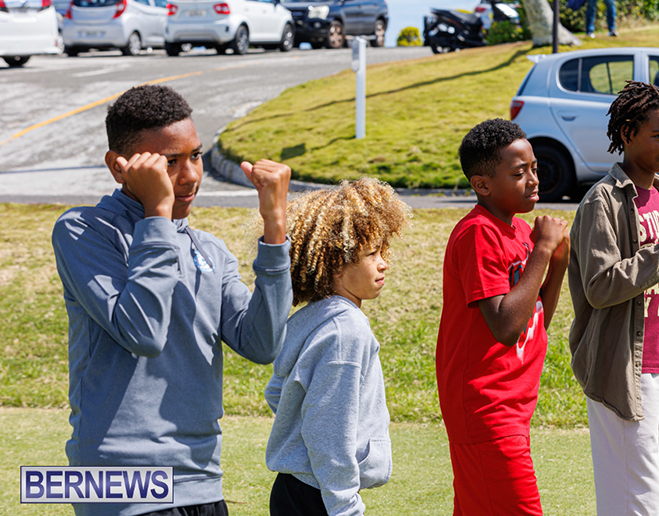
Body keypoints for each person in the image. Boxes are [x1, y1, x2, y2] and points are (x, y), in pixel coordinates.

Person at [51, 84, 293, 516]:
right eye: (170, 162)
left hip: (200, 476)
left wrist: (275, 229)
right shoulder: (82, 231)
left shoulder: (209, 249)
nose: (191, 175)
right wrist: (157, 215)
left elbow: (262, 344)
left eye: (195, 156)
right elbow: (142, 332)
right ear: (118, 167)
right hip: (116, 478)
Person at [568, 81, 659, 516]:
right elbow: (601, 287)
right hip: (622, 370)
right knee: (639, 502)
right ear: (628, 133)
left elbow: (645, 280)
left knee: (647, 496)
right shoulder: (604, 201)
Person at [436, 118, 570, 516]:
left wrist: (557, 262)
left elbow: (532, 325)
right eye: (518, 173)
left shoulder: (517, 231)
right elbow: (506, 328)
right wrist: (542, 252)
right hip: (486, 410)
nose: (533, 180)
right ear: (482, 185)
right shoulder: (478, 233)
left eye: (533, 168)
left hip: (510, 407)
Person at [264, 178, 410, 516]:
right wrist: (344, 505)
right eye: (372, 254)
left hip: (298, 489)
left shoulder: (312, 318)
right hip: (320, 497)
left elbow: (278, 393)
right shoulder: (347, 331)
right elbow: (328, 430)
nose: (383, 262)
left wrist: (298, 436)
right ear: (335, 263)